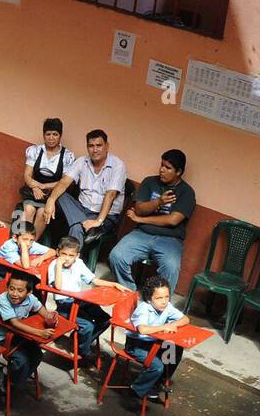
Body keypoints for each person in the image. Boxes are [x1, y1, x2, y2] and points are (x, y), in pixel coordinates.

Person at [109, 149, 194, 291]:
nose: (162, 170)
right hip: (142, 234)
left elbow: (173, 220)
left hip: (170, 239)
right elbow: (139, 209)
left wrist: (141, 220)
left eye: (168, 168)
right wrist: (159, 202)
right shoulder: (149, 182)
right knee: (116, 256)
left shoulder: (186, 192)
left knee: (171, 267)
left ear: (178, 172)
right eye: (161, 165)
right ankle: (129, 292)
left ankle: (158, 303)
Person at [44, 128, 126, 248]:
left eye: (99, 145)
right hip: (82, 209)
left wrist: (98, 221)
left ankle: (68, 259)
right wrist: (50, 200)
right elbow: (64, 182)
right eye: (91, 146)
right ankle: (82, 226)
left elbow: (111, 195)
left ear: (107, 146)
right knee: (60, 195)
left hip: (106, 216)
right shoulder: (82, 161)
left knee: (76, 227)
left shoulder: (118, 165)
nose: (95, 150)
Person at [45, 235, 121, 354]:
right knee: (88, 326)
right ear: (57, 252)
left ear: (77, 256)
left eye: (71, 256)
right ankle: (83, 354)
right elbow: (58, 286)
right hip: (65, 304)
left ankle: (80, 344)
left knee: (106, 319)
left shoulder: (79, 263)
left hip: (79, 300)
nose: (67, 258)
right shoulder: (54, 265)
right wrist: (59, 265)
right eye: (64, 254)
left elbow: (94, 280)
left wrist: (114, 285)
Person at [124, 275, 189, 411]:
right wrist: (165, 327)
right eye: (159, 298)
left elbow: (185, 319)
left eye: (166, 297)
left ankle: (154, 386)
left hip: (154, 343)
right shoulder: (144, 309)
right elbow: (142, 329)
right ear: (149, 299)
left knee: (175, 349)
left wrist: (173, 324)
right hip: (136, 345)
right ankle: (135, 390)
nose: (164, 301)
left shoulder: (167, 307)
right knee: (157, 366)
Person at [0, 271, 57, 393]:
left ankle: (10, 378)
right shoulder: (3, 299)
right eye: (12, 289)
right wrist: (39, 333)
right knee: (22, 361)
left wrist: (48, 317)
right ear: (7, 288)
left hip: (19, 335)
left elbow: (39, 307)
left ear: (29, 292)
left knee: (37, 355)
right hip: (2, 338)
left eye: (20, 290)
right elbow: (14, 323)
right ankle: (7, 377)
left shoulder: (31, 298)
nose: (15, 294)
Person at [17, 118, 74, 238]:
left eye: (55, 134)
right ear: (43, 135)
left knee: (43, 212)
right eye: (48, 134)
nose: (51, 138)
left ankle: (32, 243)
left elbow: (64, 181)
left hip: (53, 192)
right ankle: (21, 240)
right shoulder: (35, 151)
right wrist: (35, 187)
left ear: (60, 136)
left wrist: (44, 186)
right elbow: (27, 175)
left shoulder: (67, 156)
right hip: (33, 189)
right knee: (29, 209)